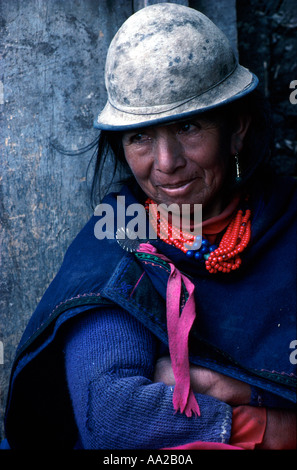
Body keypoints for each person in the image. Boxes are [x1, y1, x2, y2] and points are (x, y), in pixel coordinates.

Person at [1, 3, 296, 450]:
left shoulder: (287, 221)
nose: (165, 164)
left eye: (189, 126)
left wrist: (219, 386)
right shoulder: (116, 244)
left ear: (236, 129)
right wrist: (271, 427)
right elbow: (114, 417)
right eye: (140, 136)